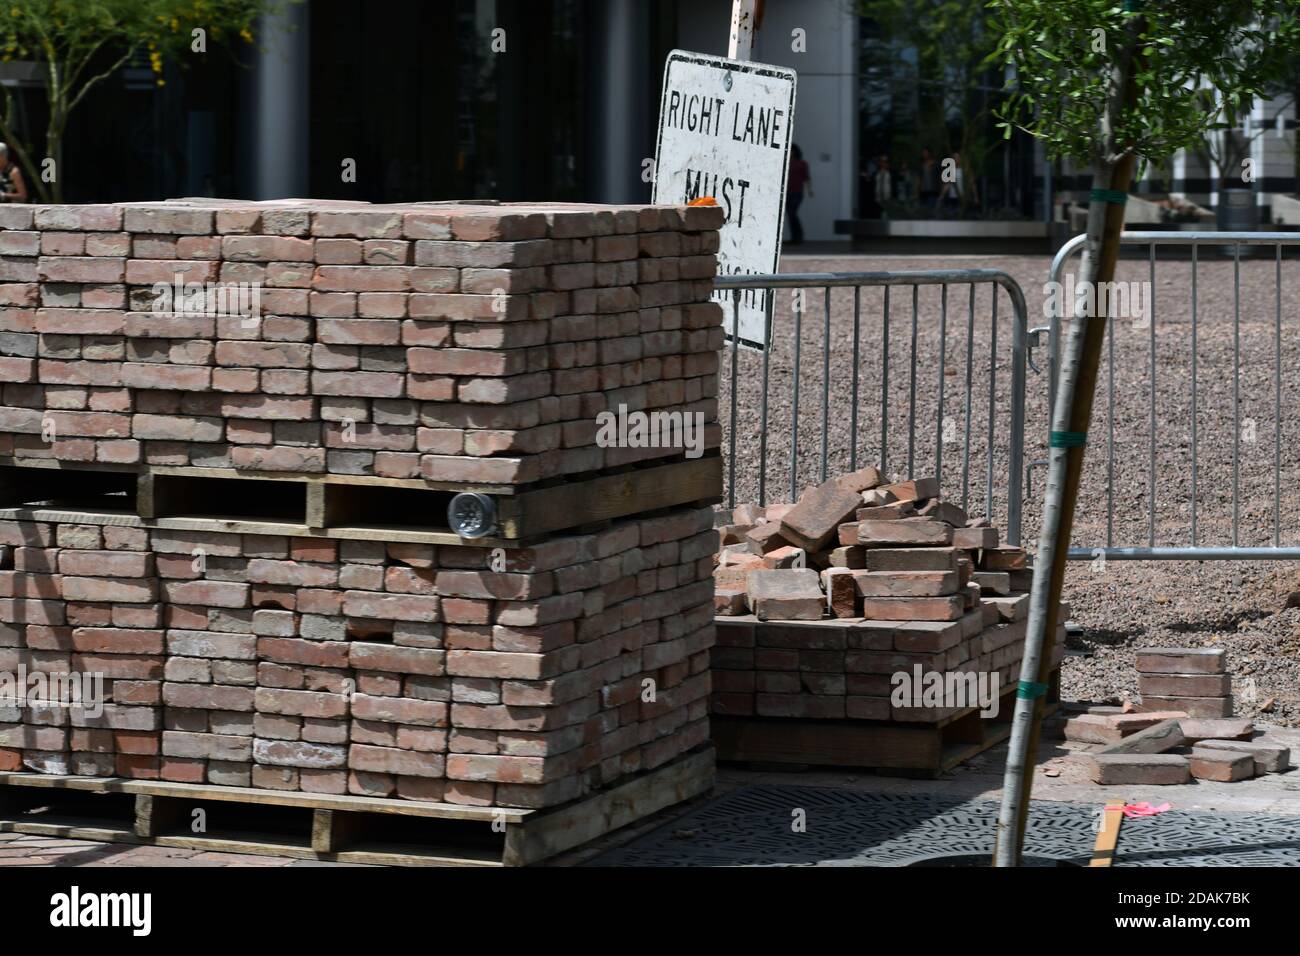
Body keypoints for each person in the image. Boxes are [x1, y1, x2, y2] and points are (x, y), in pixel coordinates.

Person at [786, 143, 812, 245]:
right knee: (790, 214)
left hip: (797, 192)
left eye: (791, 150)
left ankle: (799, 236)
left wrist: (809, 190)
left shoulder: (802, 163)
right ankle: (795, 238)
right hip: (787, 192)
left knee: (792, 213)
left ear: (795, 151)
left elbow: (807, 178)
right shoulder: (786, 162)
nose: (790, 152)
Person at [938, 151, 977, 216]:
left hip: (964, 198)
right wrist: (941, 196)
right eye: (954, 157)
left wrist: (976, 197)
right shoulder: (950, 170)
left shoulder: (966, 170)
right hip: (953, 198)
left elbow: (972, 184)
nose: (955, 159)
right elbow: (947, 184)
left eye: (957, 157)